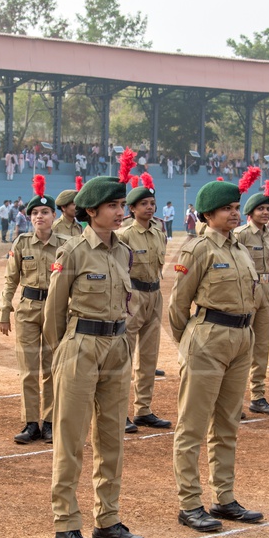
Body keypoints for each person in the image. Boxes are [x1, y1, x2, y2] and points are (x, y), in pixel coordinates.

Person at [43, 176, 146, 538]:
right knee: (70, 438)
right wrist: (65, 354)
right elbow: (53, 312)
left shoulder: (123, 251)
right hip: (80, 344)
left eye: (123, 206)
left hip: (117, 346)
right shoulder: (72, 252)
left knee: (111, 435)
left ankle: (108, 519)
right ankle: (66, 524)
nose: (122, 212)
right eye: (114, 207)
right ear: (91, 212)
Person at [167, 179, 265, 532]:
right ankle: (190, 503)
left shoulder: (239, 249)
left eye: (236, 208)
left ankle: (224, 498)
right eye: (227, 209)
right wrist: (189, 344)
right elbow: (178, 305)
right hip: (208, 337)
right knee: (192, 426)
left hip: (241, 338)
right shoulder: (199, 249)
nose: (234, 214)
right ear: (208, 214)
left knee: (227, 425)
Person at [0, 177, 63, 445]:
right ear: (30, 217)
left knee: (51, 368)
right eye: (35, 213)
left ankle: (49, 422)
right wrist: (5, 310)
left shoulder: (65, 245)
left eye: (45, 212)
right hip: (27, 309)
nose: (40, 217)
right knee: (28, 369)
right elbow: (10, 280)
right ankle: (30, 423)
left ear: (53, 215)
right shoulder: (22, 244)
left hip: (55, 310)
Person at [117, 173, 169, 431]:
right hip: (132, 296)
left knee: (149, 357)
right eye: (144, 204)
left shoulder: (159, 231)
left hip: (154, 294)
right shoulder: (125, 234)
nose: (149, 207)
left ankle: (143, 409)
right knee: (124, 356)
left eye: (152, 203)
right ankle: (120, 411)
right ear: (132, 208)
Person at [236, 175, 269, 416]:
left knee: (262, 345)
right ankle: (235, 399)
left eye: (268, 208)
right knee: (243, 345)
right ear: (250, 212)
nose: (265, 212)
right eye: (260, 209)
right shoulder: (241, 234)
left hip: (267, 290)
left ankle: (258, 395)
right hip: (248, 290)